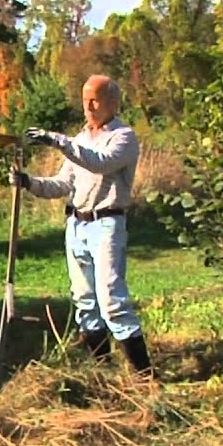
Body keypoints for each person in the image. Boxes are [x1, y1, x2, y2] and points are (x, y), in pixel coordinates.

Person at [11, 74, 154, 378]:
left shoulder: (123, 137)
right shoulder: (80, 139)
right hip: (76, 226)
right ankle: (103, 373)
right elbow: (63, 183)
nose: (88, 106)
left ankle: (145, 377)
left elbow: (99, 162)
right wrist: (29, 183)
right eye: (84, 99)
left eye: (95, 99)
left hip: (107, 225)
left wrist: (57, 140)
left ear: (112, 103)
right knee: (85, 301)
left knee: (111, 299)